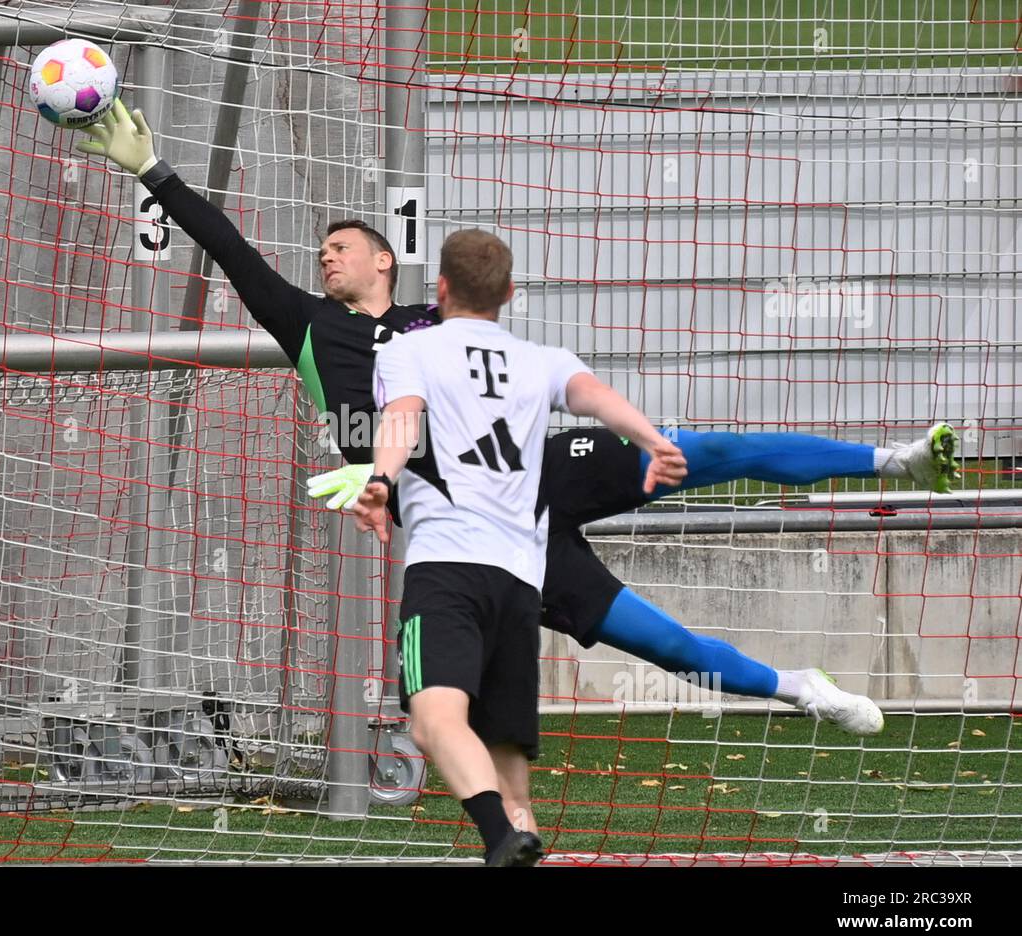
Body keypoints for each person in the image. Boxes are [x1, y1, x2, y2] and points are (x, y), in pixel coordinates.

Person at [77, 99, 958, 744]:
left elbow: (516, 357)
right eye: (322, 253)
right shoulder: (312, 327)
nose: (325, 256)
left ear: (385, 260)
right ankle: (800, 689)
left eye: (341, 246)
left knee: (706, 451)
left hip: (537, 467)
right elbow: (230, 248)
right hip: (482, 535)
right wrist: (153, 171)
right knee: (659, 641)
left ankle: (892, 461)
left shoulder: (443, 324)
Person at [351, 229, 686, 864]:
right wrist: (651, 440)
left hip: (447, 569)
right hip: (519, 581)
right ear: (508, 292)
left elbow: (403, 415)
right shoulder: (545, 359)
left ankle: (500, 837)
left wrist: (379, 478)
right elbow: (597, 398)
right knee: (504, 747)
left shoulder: (408, 350)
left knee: (432, 720)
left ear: (440, 288)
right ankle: (523, 841)